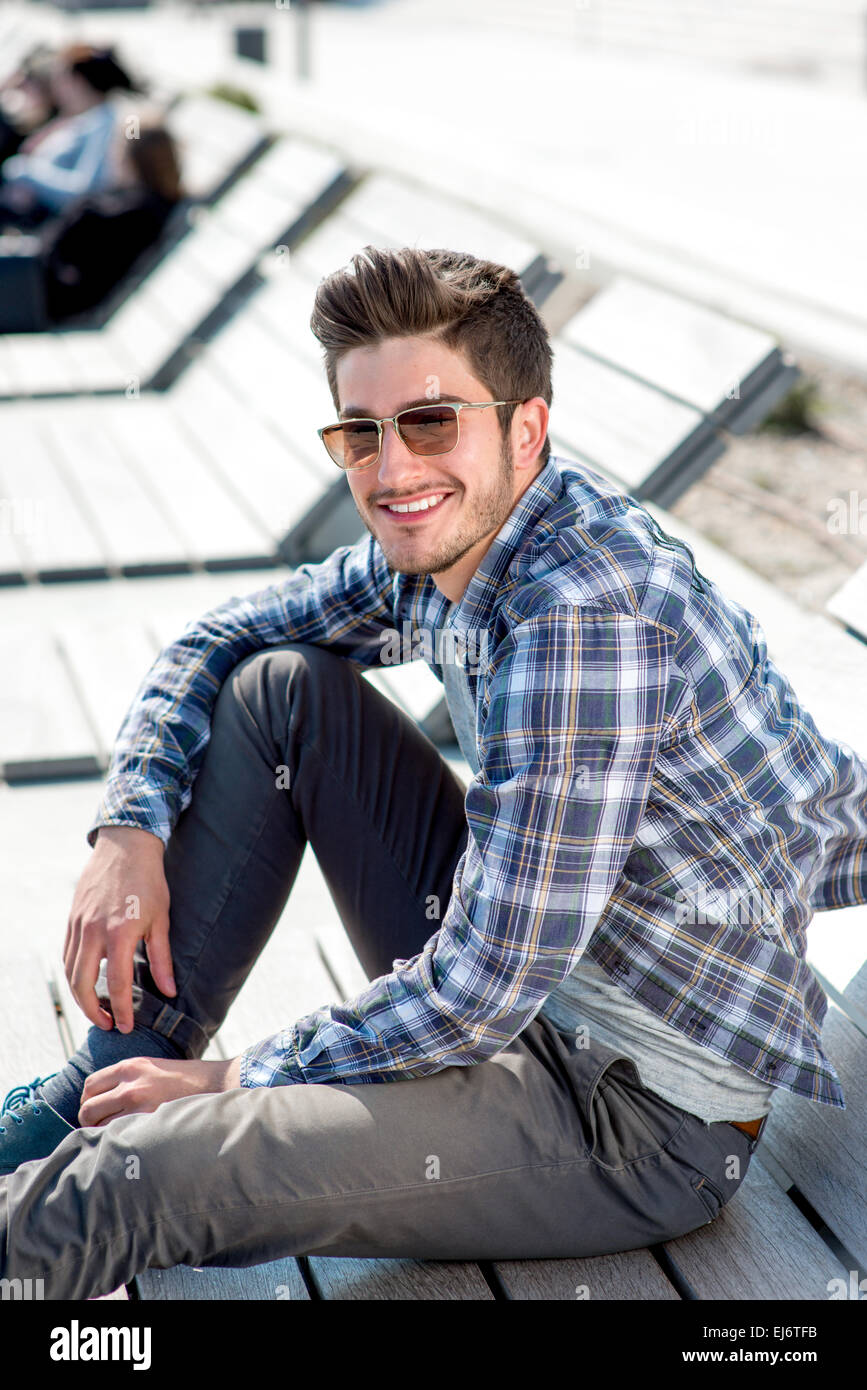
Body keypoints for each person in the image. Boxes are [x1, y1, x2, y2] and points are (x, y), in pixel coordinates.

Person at [2, 246, 865, 1301]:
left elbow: (478, 994)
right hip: (517, 981)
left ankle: (101, 1148)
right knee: (283, 690)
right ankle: (103, 1083)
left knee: (148, 1176)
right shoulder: (456, 533)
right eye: (359, 434)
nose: (393, 467)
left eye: (430, 420)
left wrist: (231, 1081)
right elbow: (222, 634)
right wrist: (126, 832)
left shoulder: (584, 623)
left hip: (627, 1114)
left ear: (525, 427)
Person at [39, 119, 183, 322]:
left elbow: (71, 243)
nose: (112, 155)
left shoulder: (135, 212)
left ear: (131, 160)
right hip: (52, 289)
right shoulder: (147, 200)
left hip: (60, 302)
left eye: (118, 150)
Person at [0, 43, 140, 230]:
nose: (57, 92)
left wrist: (23, 171)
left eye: (60, 82)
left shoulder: (118, 118)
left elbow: (89, 189)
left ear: (79, 82)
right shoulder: (90, 119)